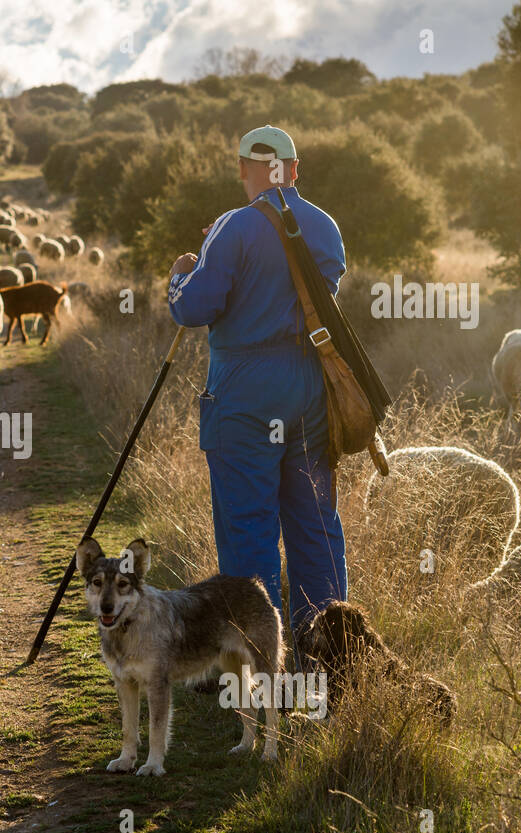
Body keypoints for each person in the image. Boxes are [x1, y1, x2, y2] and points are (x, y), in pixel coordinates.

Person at [167, 125, 347, 658]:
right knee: (315, 525)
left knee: (249, 531)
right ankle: (328, 663)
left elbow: (193, 308)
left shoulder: (233, 226)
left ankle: (262, 671)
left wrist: (186, 271)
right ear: (294, 169)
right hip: (310, 388)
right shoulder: (325, 227)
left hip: (244, 392)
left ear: (245, 169)